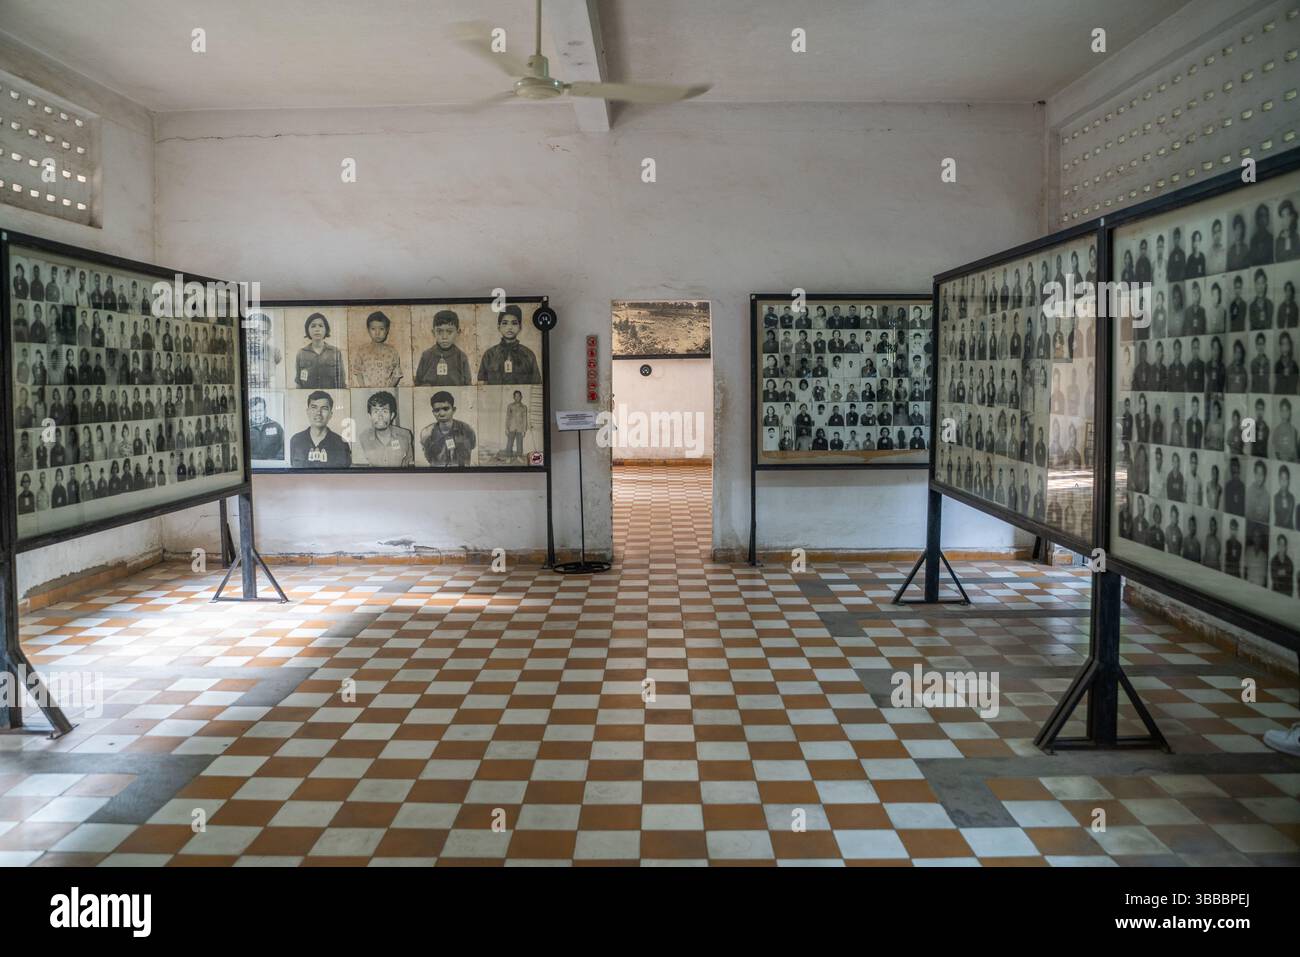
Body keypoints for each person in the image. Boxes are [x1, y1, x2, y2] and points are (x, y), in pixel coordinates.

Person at [478, 305, 540, 384]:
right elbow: (481, 385)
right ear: (498, 326)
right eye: (505, 323)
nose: (509, 327)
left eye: (514, 323)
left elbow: (537, 384)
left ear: (520, 327)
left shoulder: (528, 355)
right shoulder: (489, 355)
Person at [289, 390, 351, 467]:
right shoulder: (296, 440)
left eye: (324, 408)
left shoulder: (341, 444)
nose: (318, 413)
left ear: (330, 414)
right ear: (308, 411)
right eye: (314, 407)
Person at [415, 309, 472, 386]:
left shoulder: (461, 357)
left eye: (449, 332)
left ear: (458, 332)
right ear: (433, 332)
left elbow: (468, 387)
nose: (444, 337)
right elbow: (417, 385)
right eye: (439, 332)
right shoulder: (426, 356)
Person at [357, 390, 413, 467]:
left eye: (384, 411)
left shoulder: (405, 436)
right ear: (370, 416)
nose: (380, 416)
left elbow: (409, 462)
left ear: (392, 415)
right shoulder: (363, 438)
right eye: (376, 412)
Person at [420, 390, 476, 467]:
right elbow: (428, 457)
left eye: (446, 409)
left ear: (453, 410)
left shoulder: (467, 430)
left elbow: (471, 448)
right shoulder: (427, 433)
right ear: (433, 412)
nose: (441, 413)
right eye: (437, 410)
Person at [350, 310, 403, 387]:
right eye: (373, 329)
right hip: (367, 391)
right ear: (368, 330)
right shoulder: (362, 351)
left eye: (381, 329)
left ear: (387, 330)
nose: (377, 333)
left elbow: (397, 375)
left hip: (386, 392)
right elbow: (358, 372)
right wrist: (363, 388)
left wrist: (389, 389)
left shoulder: (392, 352)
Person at [293, 312, 345, 388]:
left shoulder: (335, 352)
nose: (317, 329)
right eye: (313, 326)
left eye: (321, 326)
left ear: (326, 329)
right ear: (307, 330)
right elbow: (299, 383)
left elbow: (341, 382)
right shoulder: (301, 353)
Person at [249, 395, 285, 460]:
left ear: (265, 411)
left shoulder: (276, 426)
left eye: (260, 410)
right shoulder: (245, 429)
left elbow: (283, 448)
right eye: (253, 411)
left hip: (273, 464)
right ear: (250, 412)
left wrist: (275, 461)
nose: (257, 414)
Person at [504, 389, 529, 462]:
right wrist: (506, 428)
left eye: (519, 396)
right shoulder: (510, 406)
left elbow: (525, 419)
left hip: (520, 428)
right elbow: (508, 417)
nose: (517, 397)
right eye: (516, 396)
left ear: (521, 397)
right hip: (511, 427)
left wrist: (524, 430)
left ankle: (519, 456)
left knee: (519, 443)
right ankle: (508, 457)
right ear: (513, 397)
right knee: (509, 443)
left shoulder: (524, 407)